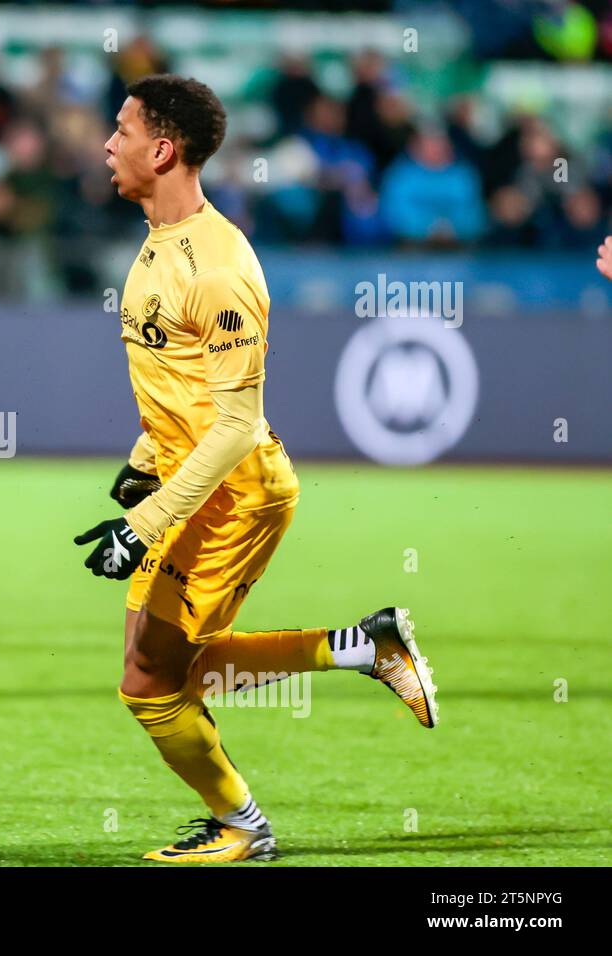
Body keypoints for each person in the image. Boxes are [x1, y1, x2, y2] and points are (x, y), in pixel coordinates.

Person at [77, 75, 440, 863]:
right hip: (192, 483)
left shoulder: (218, 267)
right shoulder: (154, 243)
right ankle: (364, 647)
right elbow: (182, 388)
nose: (109, 143)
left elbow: (238, 427)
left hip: (237, 497)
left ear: (162, 149)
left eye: (122, 130)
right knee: (162, 663)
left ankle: (245, 828)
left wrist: (145, 524)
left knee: (149, 682)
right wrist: (144, 464)